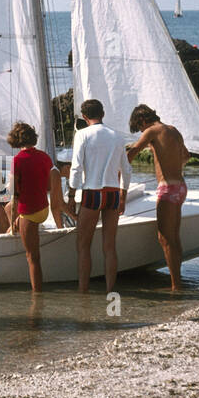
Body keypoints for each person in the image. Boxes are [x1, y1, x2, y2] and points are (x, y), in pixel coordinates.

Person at [68, 99, 131, 294]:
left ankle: (83, 292)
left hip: (92, 193)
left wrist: (71, 195)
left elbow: (76, 168)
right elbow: (126, 170)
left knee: (83, 245)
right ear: (102, 114)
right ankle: (111, 291)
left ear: (84, 117)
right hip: (112, 193)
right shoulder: (118, 137)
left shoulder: (83, 135)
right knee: (109, 247)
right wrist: (124, 194)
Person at [127, 104, 190, 291]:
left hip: (167, 189)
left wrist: (115, 171)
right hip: (180, 186)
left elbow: (131, 153)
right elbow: (186, 156)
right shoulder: (173, 130)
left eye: (139, 128)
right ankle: (177, 281)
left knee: (164, 238)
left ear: (142, 120)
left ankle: (175, 286)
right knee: (174, 238)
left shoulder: (152, 131)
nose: (141, 131)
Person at [6, 122, 59, 292]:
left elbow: (14, 193)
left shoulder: (17, 160)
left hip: (30, 213)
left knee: (32, 258)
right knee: (8, 208)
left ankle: (37, 297)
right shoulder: (45, 157)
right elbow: (49, 187)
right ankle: (11, 228)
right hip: (44, 209)